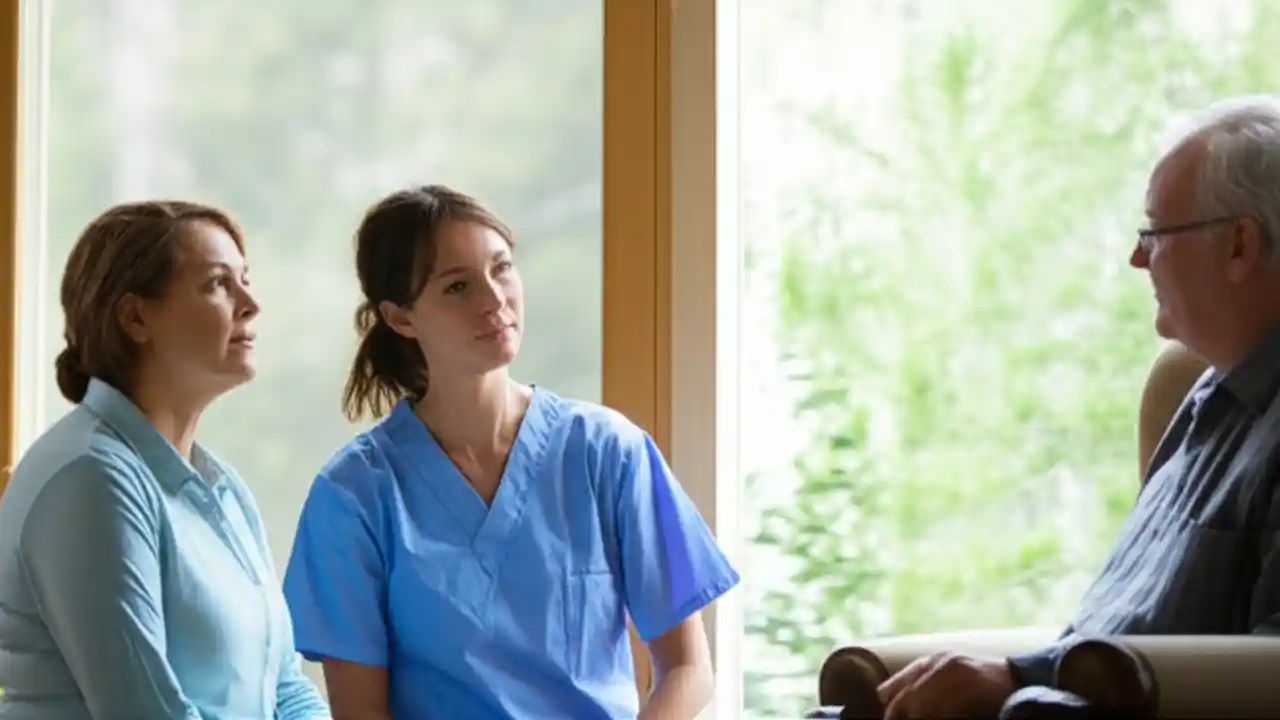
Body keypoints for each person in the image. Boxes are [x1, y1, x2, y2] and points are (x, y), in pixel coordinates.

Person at [874, 94, 1280, 719]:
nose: (1137, 259)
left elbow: (1263, 666)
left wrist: (1016, 681)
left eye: (1155, 234)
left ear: (1239, 246)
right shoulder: (1206, 394)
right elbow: (1127, 617)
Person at [282, 185, 739, 719]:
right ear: (401, 318)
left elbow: (688, 668)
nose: (494, 300)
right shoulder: (354, 495)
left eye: (502, 269)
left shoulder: (607, 453)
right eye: (458, 286)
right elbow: (361, 715)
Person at [0, 201, 330, 719]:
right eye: (219, 284)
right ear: (135, 317)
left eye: (245, 279)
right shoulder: (89, 479)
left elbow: (284, 687)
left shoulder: (222, 486)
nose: (251, 303)